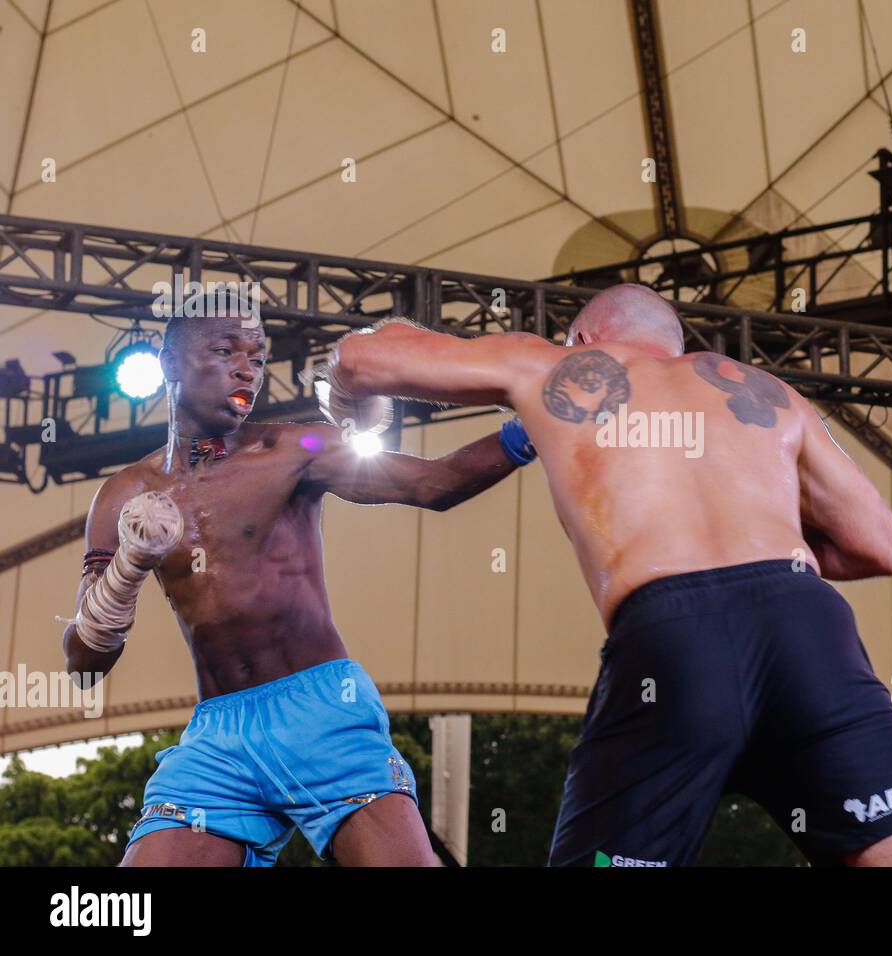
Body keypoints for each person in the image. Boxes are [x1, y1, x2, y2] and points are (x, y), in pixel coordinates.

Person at [321, 283, 892, 867]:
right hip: (807, 629)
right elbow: (879, 545)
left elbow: (360, 358)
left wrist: (356, 414)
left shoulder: (558, 366)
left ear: (585, 339)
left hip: (674, 637)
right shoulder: (769, 395)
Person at [61, 313, 536, 866]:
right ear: (169, 363)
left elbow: (434, 484)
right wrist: (127, 569)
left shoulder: (296, 450)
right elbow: (84, 665)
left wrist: (537, 425)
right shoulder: (122, 496)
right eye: (226, 351)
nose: (247, 369)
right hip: (218, 740)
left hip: (322, 712)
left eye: (257, 358)